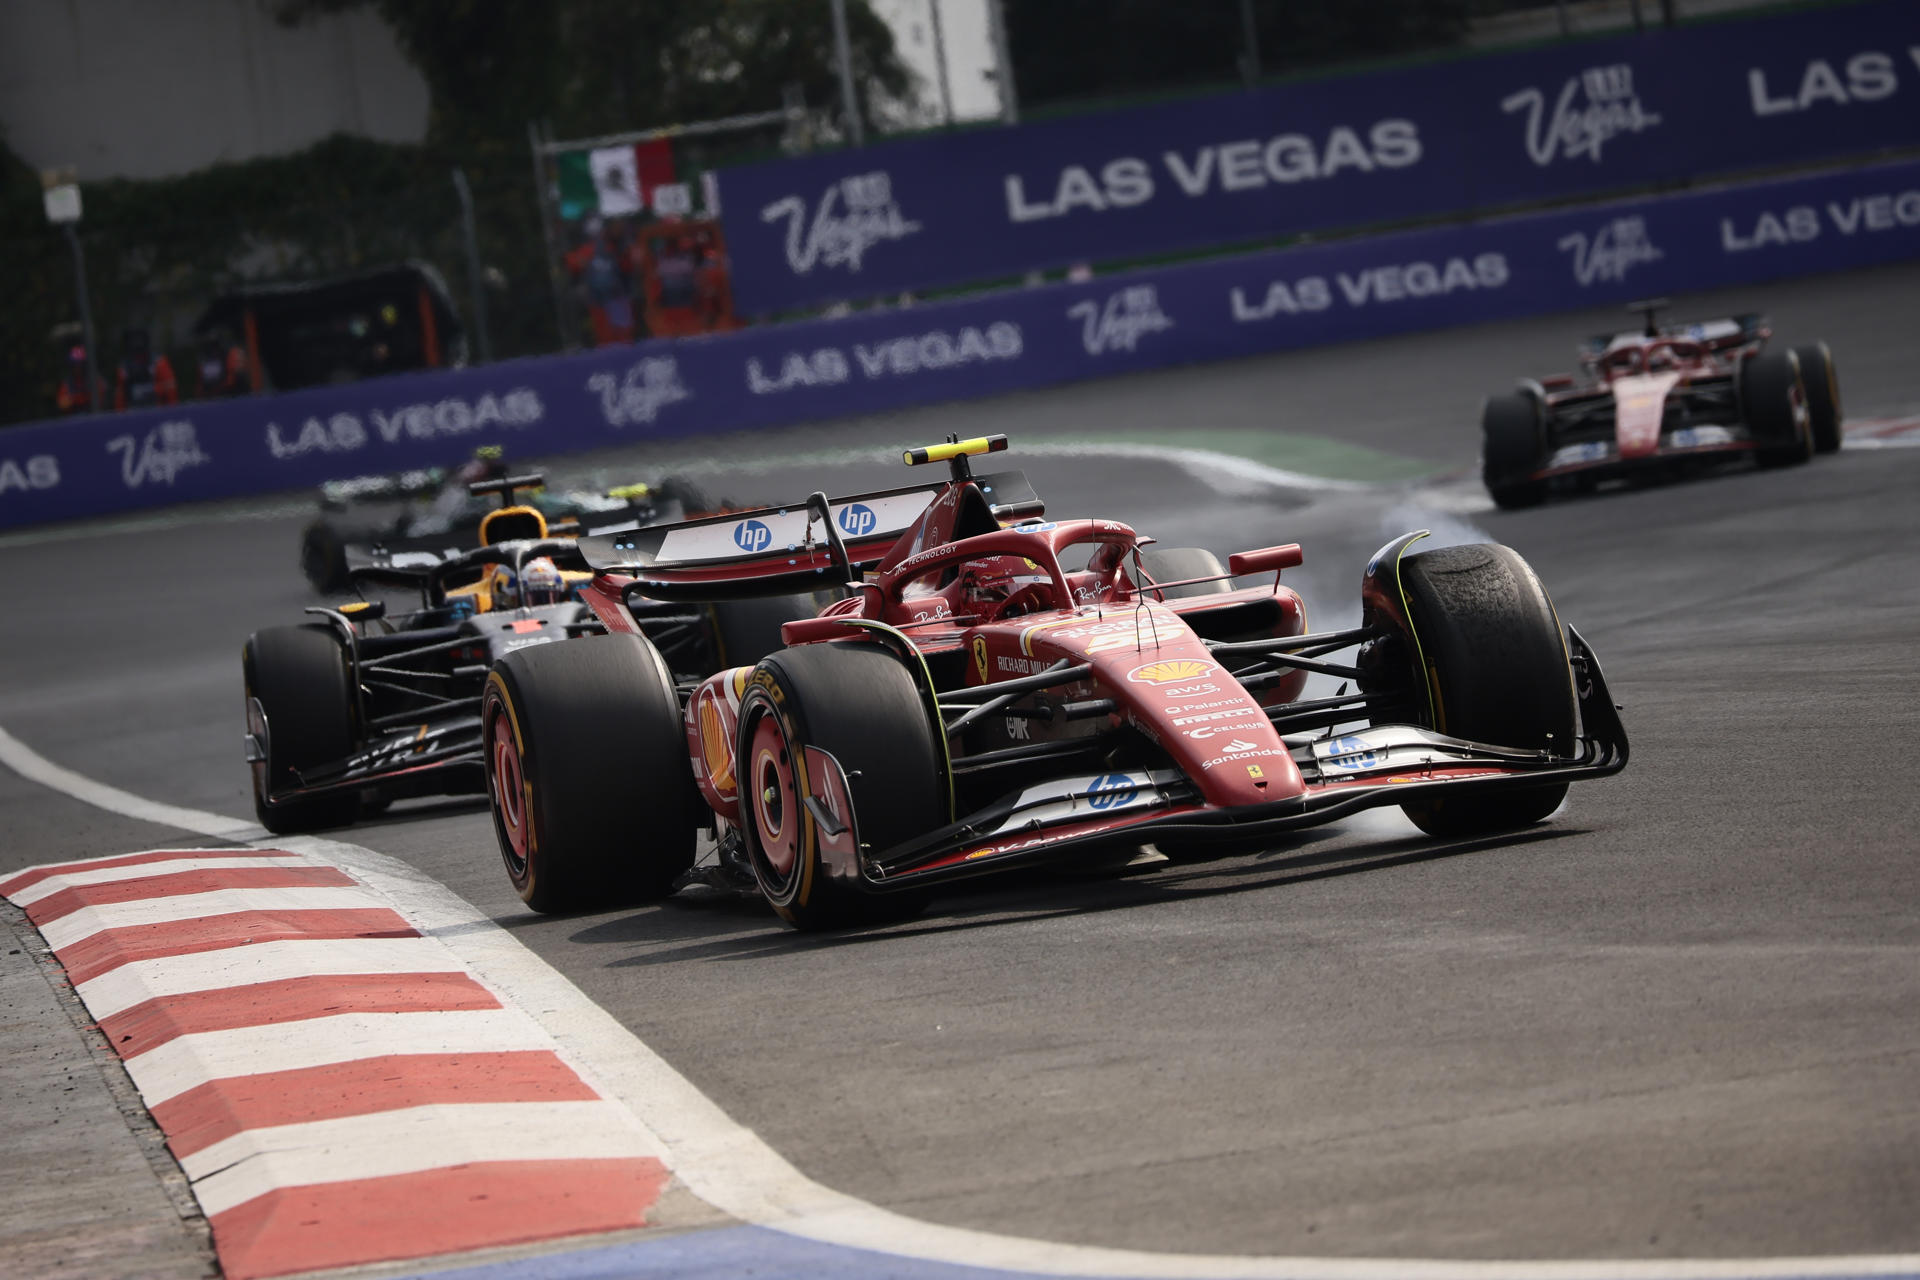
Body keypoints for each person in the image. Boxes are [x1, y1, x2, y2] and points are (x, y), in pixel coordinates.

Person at [114, 327, 178, 411]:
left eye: (139, 342)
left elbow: (171, 390)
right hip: (133, 412)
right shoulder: (124, 368)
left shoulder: (159, 363)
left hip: (157, 410)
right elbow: (120, 398)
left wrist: (148, 390)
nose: (137, 345)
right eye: (133, 342)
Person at [193, 332, 249, 398]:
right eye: (210, 346)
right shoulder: (204, 359)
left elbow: (234, 377)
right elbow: (201, 382)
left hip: (230, 393)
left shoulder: (228, 354)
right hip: (212, 395)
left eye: (215, 345)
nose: (213, 350)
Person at [54, 344, 103, 414]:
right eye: (75, 365)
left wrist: (83, 397)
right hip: (73, 418)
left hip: (92, 415)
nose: (77, 367)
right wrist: (75, 399)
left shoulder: (93, 380)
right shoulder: (67, 383)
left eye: (80, 364)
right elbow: (62, 404)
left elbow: (99, 399)